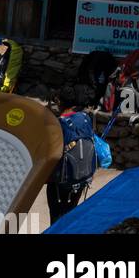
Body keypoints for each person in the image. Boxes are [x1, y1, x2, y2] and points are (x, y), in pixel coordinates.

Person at [46, 88, 97, 224]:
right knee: (70, 213)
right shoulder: (85, 118)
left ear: (59, 102)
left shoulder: (59, 124)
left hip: (61, 181)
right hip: (81, 178)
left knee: (56, 217)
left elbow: (50, 152)